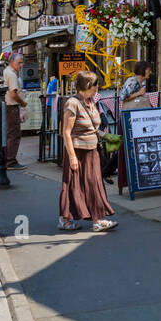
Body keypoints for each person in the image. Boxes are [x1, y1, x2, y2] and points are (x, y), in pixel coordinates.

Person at [58, 71, 118, 233]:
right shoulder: (72, 103)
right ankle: (66, 219)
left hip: (92, 151)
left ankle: (98, 219)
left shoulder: (92, 102)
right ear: (87, 86)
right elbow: (66, 132)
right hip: (77, 151)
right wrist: (72, 157)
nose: (98, 88)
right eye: (95, 85)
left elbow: (93, 128)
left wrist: (109, 137)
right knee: (73, 185)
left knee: (94, 184)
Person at [2, 51, 26, 169]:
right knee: (14, 134)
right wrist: (22, 102)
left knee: (8, 133)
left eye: (22, 63)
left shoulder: (6, 71)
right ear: (12, 62)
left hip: (6, 106)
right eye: (19, 63)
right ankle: (11, 161)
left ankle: (6, 158)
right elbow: (13, 94)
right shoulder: (11, 74)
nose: (21, 65)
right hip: (11, 107)